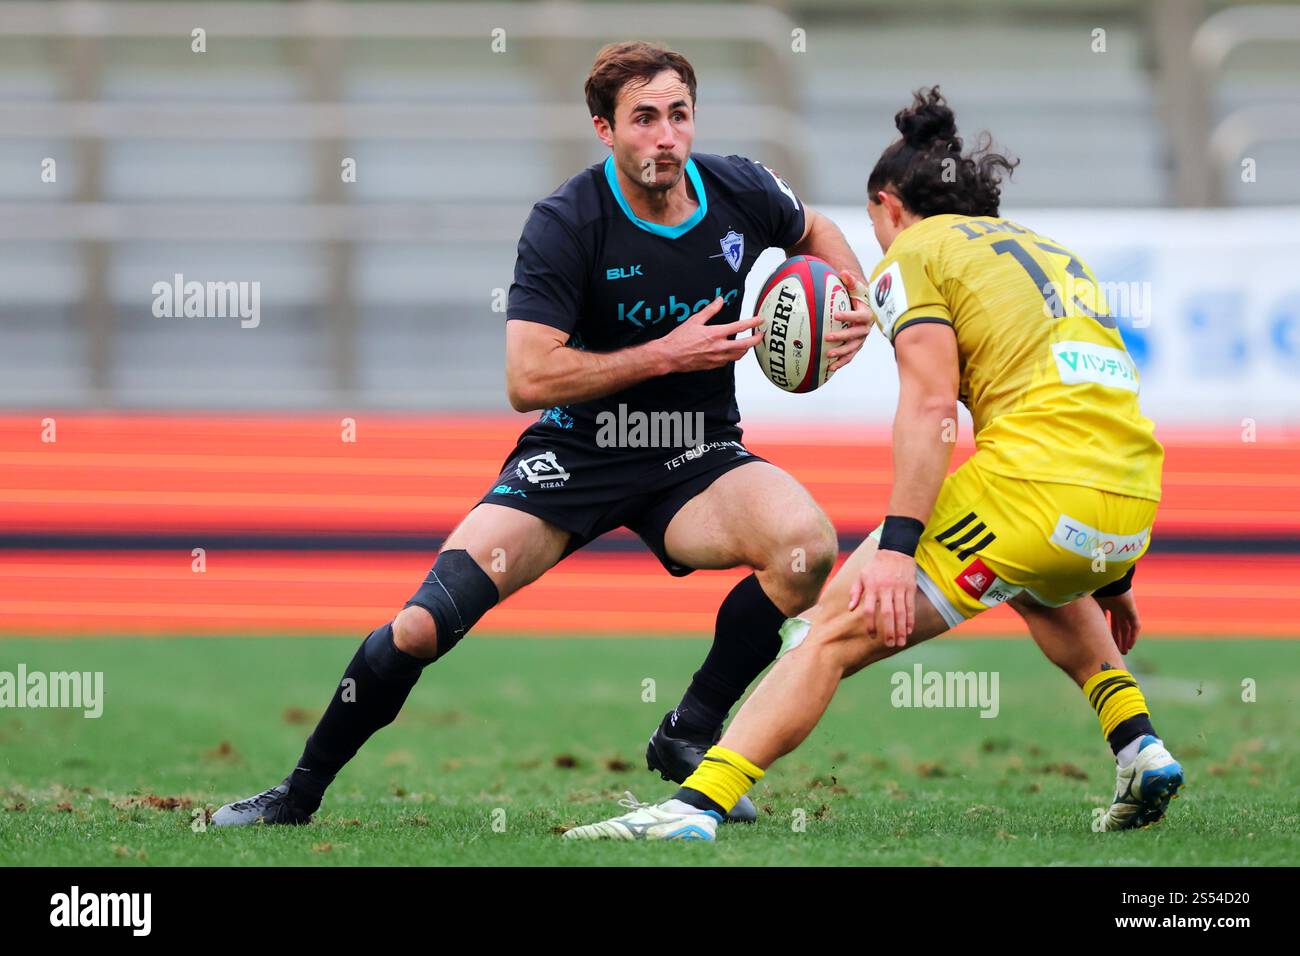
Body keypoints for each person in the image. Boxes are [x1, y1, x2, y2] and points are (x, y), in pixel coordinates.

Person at [212, 41, 871, 827]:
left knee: (806, 548)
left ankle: (689, 731)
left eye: (679, 115)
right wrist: (668, 352)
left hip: (695, 452)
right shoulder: (567, 222)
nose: (666, 136)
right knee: (422, 625)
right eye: (644, 119)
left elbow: (816, 230)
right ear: (605, 129)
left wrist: (852, 308)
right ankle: (298, 793)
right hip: (576, 455)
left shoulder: (739, 187)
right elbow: (527, 379)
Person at [565, 86, 1183, 843]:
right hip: (1131, 495)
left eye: (873, 228)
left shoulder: (915, 255)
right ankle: (1138, 744)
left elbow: (930, 413)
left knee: (829, 629)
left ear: (890, 207)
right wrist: (1112, 576)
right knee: (1026, 576)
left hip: (1035, 487)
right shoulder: (1052, 255)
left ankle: (696, 807)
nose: (877, 249)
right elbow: (1095, 405)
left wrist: (895, 552)